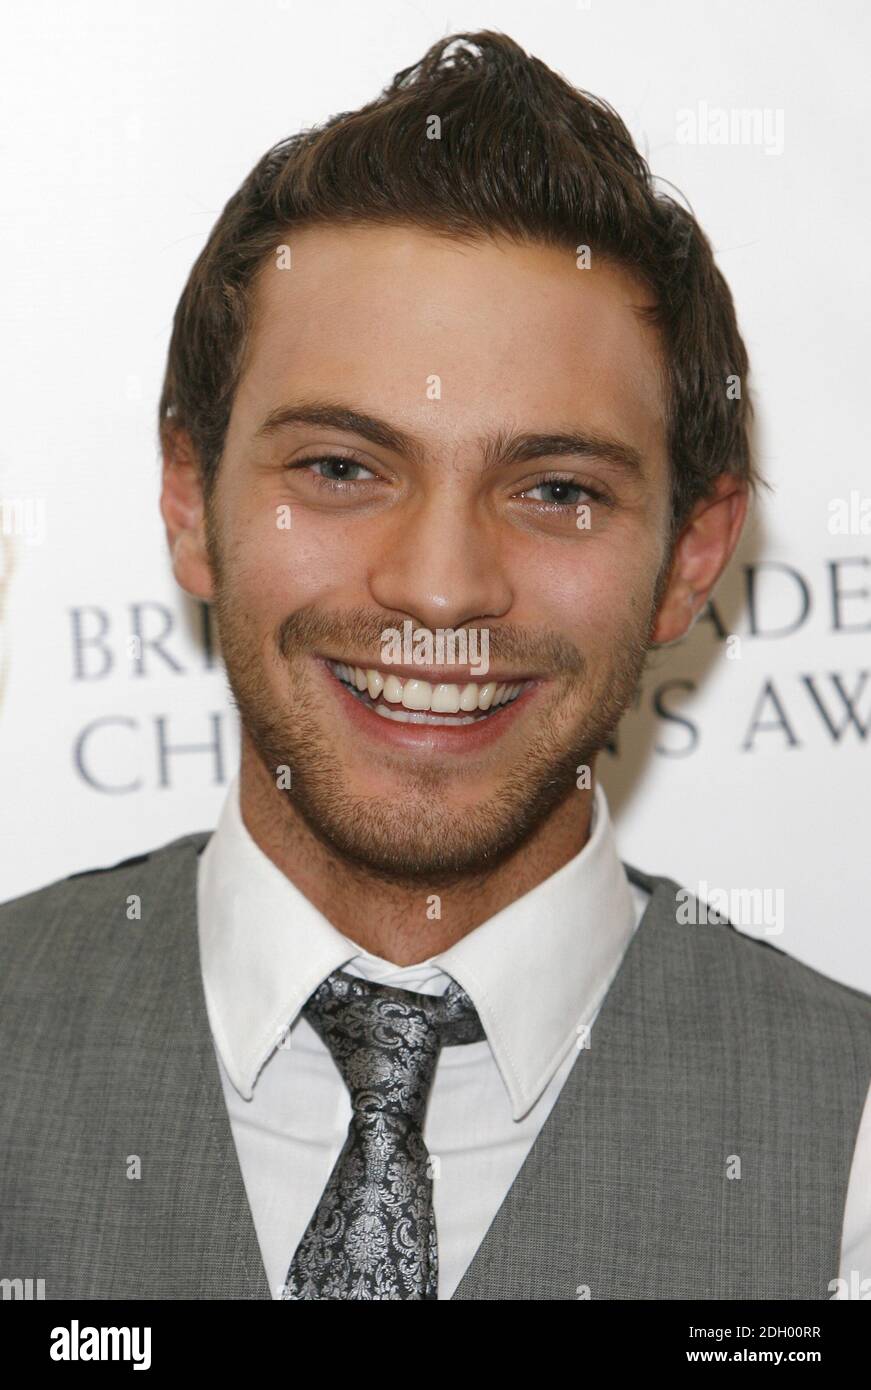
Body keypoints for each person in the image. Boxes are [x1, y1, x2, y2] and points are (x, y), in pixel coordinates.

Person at [1, 29, 869, 1301]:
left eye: (557, 488)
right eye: (342, 469)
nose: (440, 588)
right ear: (189, 502)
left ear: (694, 551)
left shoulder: (846, 1150)